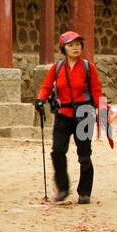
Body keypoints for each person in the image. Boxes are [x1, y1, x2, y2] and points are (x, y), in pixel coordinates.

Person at [34, 30, 102, 204]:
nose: (75, 48)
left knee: (84, 155)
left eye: (78, 44)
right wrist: (40, 100)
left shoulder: (88, 68)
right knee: (57, 152)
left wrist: (103, 112)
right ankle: (63, 188)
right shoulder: (57, 68)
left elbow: (96, 92)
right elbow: (46, 87)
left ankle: (84, 192)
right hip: (63, 115)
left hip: (84, 115)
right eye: (71, 45)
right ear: (63, 49)